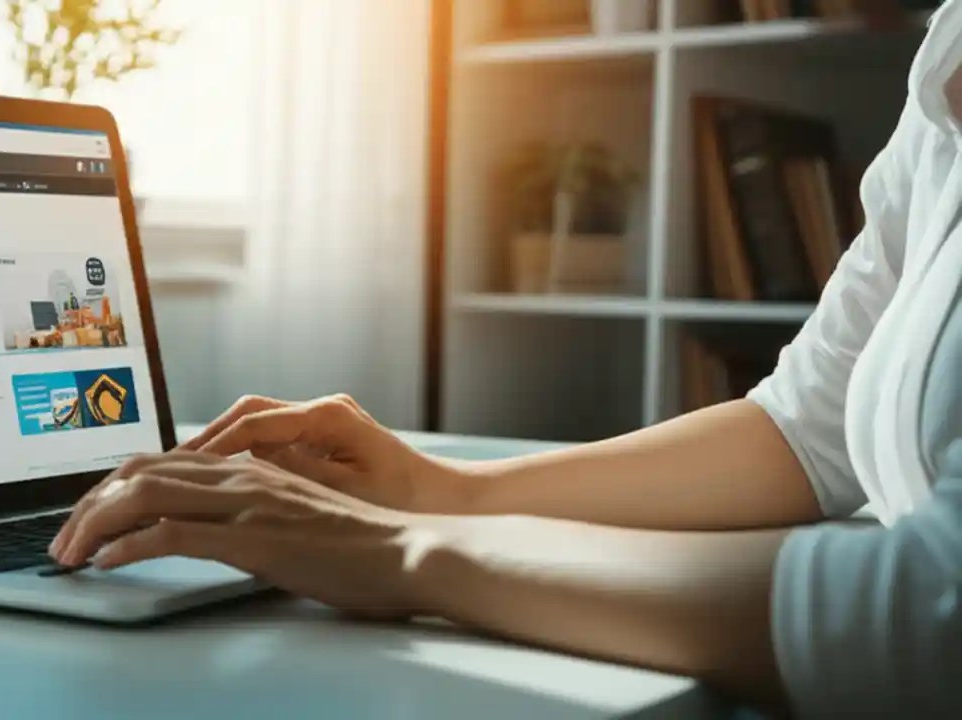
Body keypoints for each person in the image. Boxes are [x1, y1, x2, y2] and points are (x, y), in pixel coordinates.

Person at [49, 4, 962, 715]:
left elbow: (931, 617)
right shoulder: (941, 80)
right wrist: (446, 492)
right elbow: (801, 430)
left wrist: (407, 550)